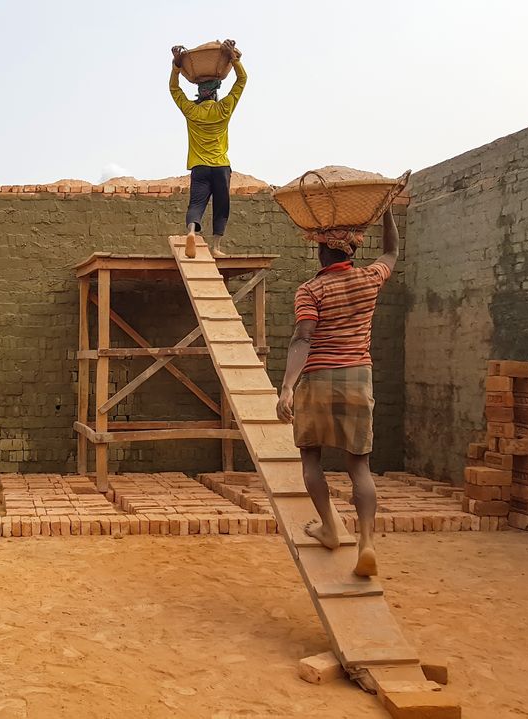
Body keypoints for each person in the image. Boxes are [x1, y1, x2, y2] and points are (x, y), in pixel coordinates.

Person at [275, 210, 400, 577]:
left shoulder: (311, 290)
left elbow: (303, 339)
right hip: (358, 379)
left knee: (311, 458)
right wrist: (387, 211)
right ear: (351, 253)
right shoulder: (369, 280)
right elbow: (391, 252)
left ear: (321, 254)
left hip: (317, 380)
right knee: (358, 465)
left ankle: (329, 526)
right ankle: (366, 543)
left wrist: (287, 389)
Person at [170, 39, 246, 259]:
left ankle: (192, 232)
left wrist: (176, 66)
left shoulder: (191, 111)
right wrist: (233, 58)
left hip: (199, 166)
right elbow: (242, 80)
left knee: (196, 203)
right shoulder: (224, 108)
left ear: (201, 92)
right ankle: (216, 247)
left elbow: (174, 90)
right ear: (214, 93)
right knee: (221, 206)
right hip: (221, 167)